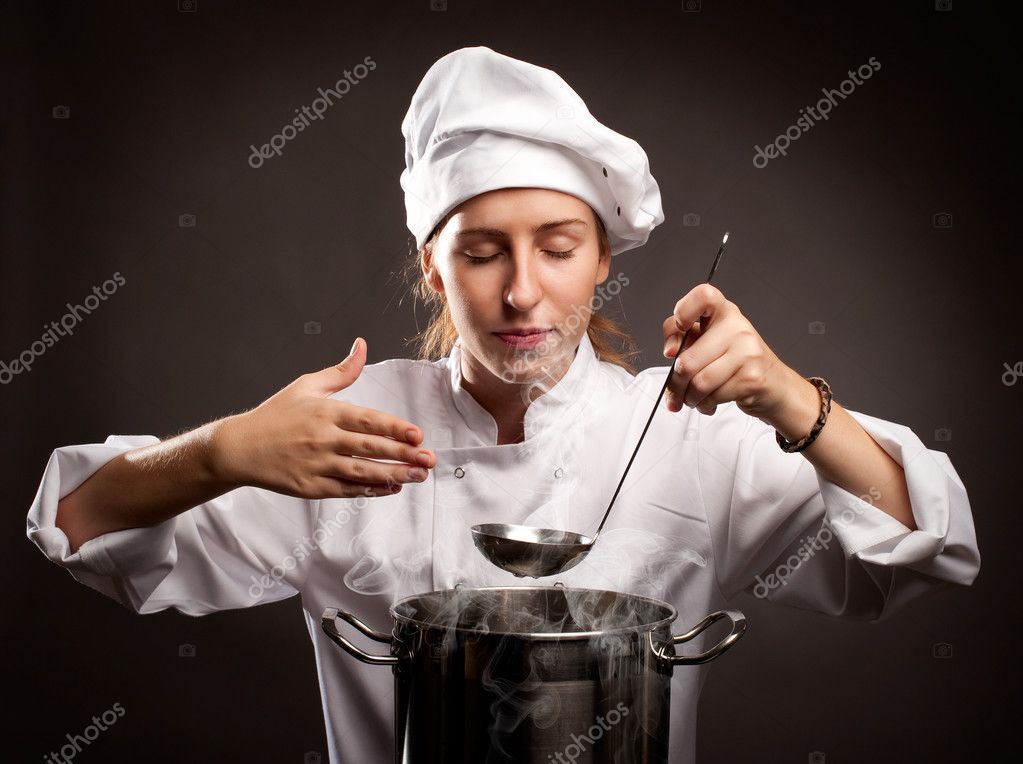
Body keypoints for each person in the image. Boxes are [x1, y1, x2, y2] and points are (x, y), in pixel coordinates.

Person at [26, 46, 980, 764]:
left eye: (558, 247)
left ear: (603, 259)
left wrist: (789, 400)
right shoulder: (340, 438)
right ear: (433, 269)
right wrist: (222, 452)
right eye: (480, 251)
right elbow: (75, 525)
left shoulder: (688, 438)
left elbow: (926, 549)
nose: (522, 292)